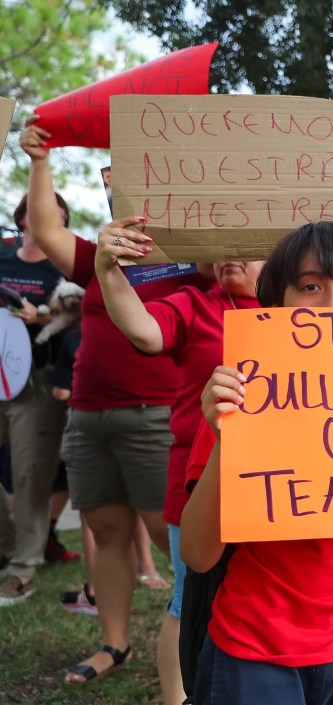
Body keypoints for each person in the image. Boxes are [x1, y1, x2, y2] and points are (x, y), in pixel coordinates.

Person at [181, 221, 333, 705]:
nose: (331, 306)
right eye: (310, 287)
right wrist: (226, 440)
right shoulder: (238, 398)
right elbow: (198, 555)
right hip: (254, 651)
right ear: (277, 303)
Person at [21, 115, 208, 690]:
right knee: (103, 525)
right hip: (89, 414)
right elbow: (48, 233)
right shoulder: (104, 260)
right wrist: (40, 160)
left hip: (156, 417)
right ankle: (114, 643)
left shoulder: (195, 267)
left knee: (168, 536)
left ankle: (195, 644)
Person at [93, 215, 264, 702]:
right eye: (225, 245)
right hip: (198, 483)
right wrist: (109, 270)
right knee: (187, 603)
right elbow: (145, 331)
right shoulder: (194, 304)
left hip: (277, 488)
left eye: (250, 245)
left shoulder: (298, 310)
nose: (234, 254)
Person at [0, 194, 67, 606]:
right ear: (22, 217)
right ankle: (7, 546)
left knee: (29, 473)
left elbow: (79, 315)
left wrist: (43, 316)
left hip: (37, 381)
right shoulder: (3, 256)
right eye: (37, 213)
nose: (44, 221)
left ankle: (24, 568)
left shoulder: (64, 265)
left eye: (56, 217)